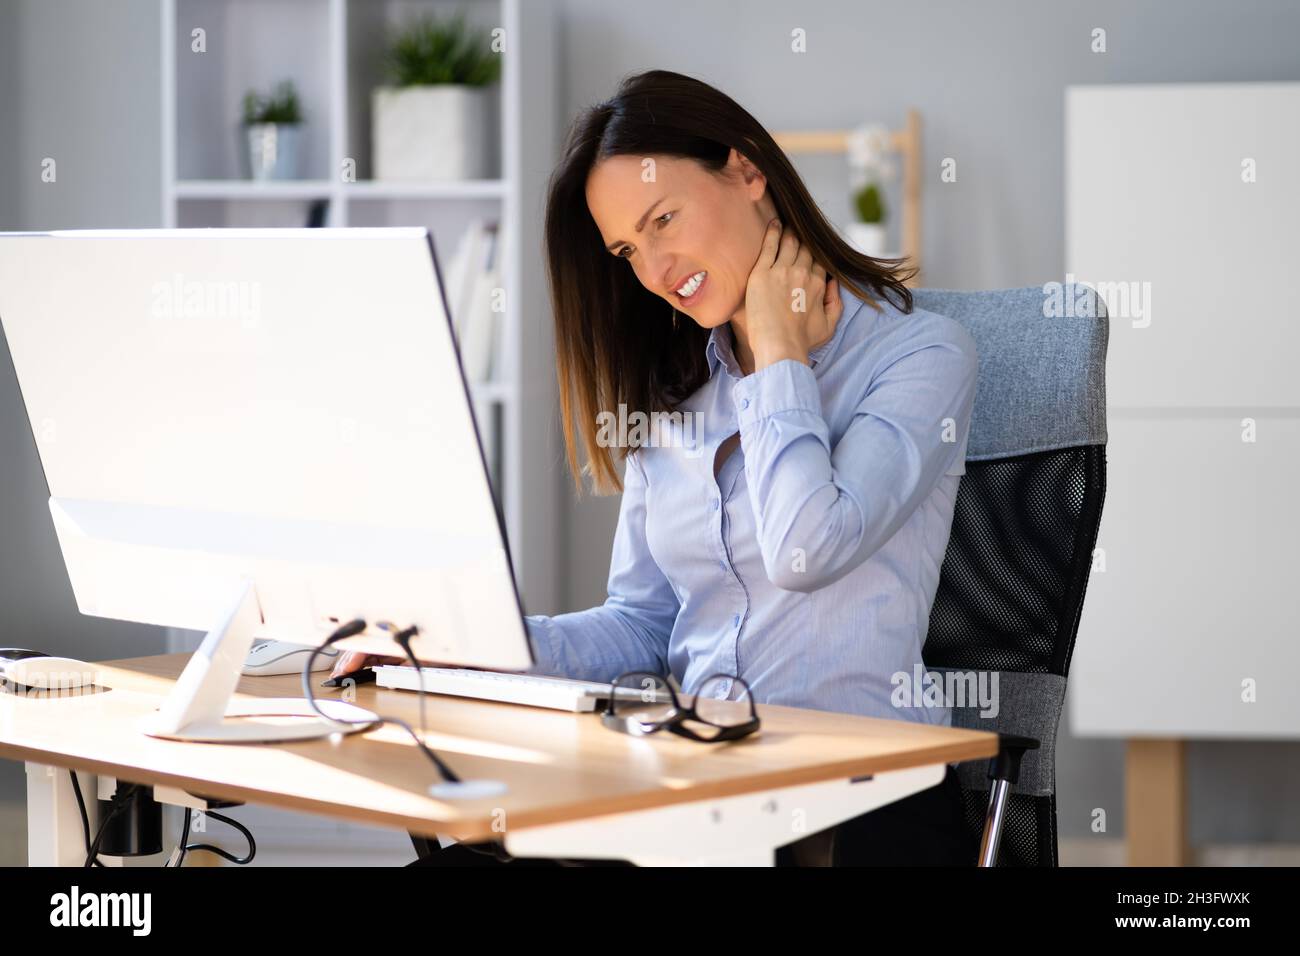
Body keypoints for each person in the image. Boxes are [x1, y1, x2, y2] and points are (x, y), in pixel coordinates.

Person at [335, 69, 979, 867]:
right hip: (697, 784)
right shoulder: (677, 393)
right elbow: (642, 622)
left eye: (663, 219)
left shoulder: (920, 355)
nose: (656, 269)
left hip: (859, 805)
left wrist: (778, 352)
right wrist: (462, 646)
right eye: (628, 250)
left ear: (747, 171)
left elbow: (805, 551)